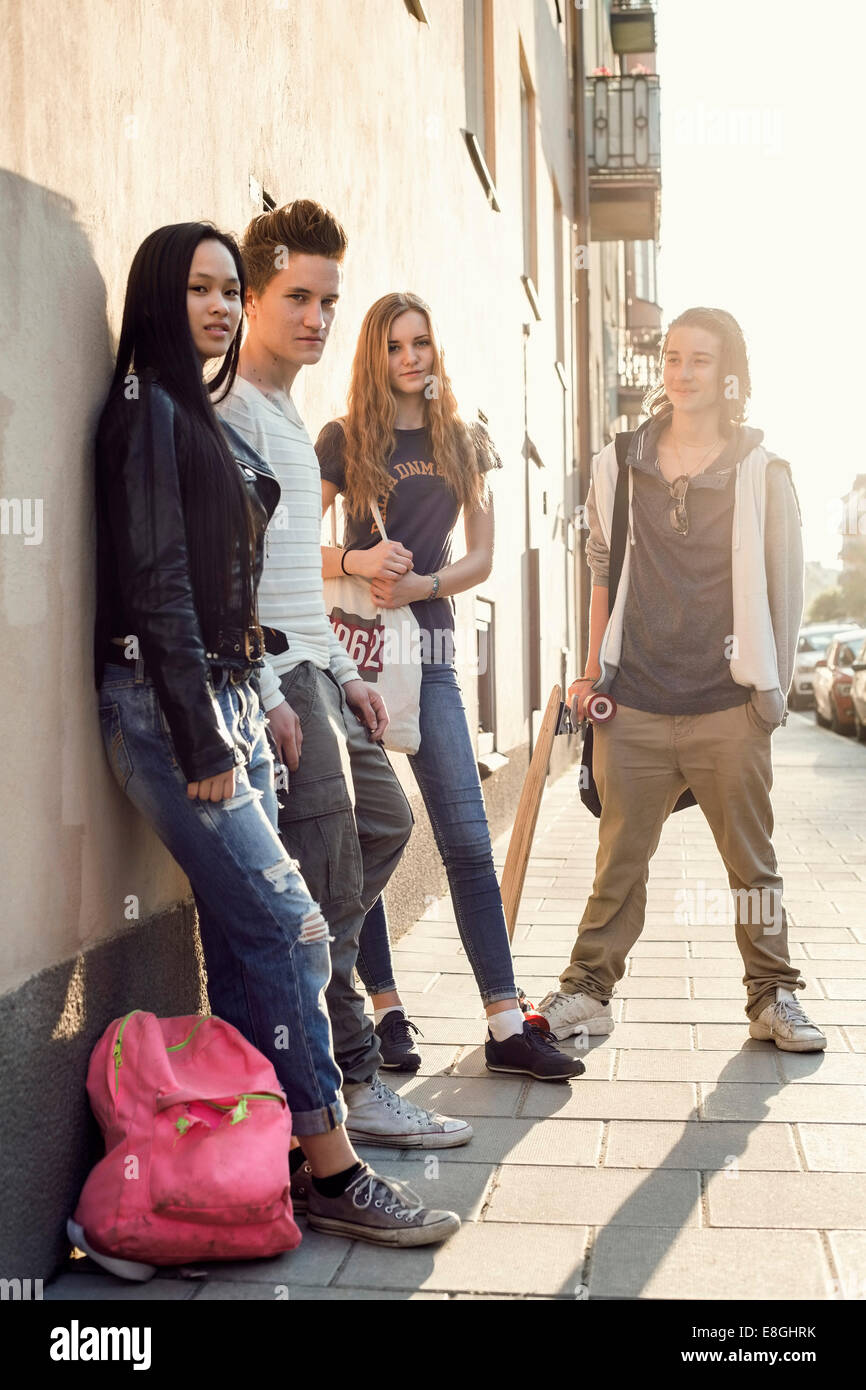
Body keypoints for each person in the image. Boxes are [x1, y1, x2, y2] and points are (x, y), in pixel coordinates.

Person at [92, 221, 461, 1252]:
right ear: (160, 296)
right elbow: (163, 593)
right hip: (176, 714)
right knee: (294, 921)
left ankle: (266, 1157)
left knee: (252, 934)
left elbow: (231, 587)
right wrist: (207, 740)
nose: (214, 307)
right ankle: (333, 1162)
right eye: (199, 290)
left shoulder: (195, 415)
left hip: (236, 696)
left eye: (223, 290)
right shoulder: (152, 414)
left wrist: (268, 691)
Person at [214, 201, 475, 1149]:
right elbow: (228, 578)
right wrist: (278, 689)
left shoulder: (289, 414)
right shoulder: (230, 414)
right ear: (251, 297)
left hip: (322, 669)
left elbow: (290, 571)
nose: (318, 316)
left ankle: (300, 1026)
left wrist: (339, 669)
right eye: (297, 297)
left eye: (329, 298)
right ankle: (353, 1085)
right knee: (323, 871)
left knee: (385, 825)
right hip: (277, 685)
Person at [536, 307, 826, 1054]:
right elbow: (603, 566)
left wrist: (770, 693)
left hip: (727, 701)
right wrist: (597, 667)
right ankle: (587, 990)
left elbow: (784, 586)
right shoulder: (620, 462)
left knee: (751, 863)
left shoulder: (762, 470)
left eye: (700, 359)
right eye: (672, 357)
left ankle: (774, 995)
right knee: (618, 860)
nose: (682, 371)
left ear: (730, 373)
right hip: (633, 700)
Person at [317, 291, 585, 1081]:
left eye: (422, 343)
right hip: (353, 648)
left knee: (466, 834)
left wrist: (424, 581)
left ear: (436, 351)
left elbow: (484, 557)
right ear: (376, 355)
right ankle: (384, 1007)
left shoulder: (464, 439)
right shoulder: (342, 439)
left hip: (429, 649)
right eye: (396, 345)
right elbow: (296, 542)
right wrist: (360, 564)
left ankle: (506, 1020)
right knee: (367, 827)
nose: (411, 358)